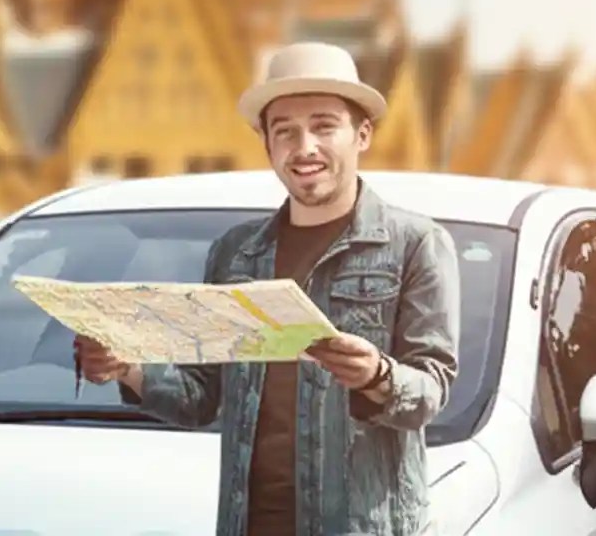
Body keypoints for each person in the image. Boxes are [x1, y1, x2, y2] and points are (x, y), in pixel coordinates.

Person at [76, 41, 460, 536]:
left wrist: (377, 375)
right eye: (286, 132)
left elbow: (432, 390)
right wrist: (128, 367)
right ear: (268, 146)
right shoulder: (236, 254)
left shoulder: (416, 244)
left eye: (324, 126)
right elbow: (200, 398)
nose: (304, 148)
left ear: (361, 134)